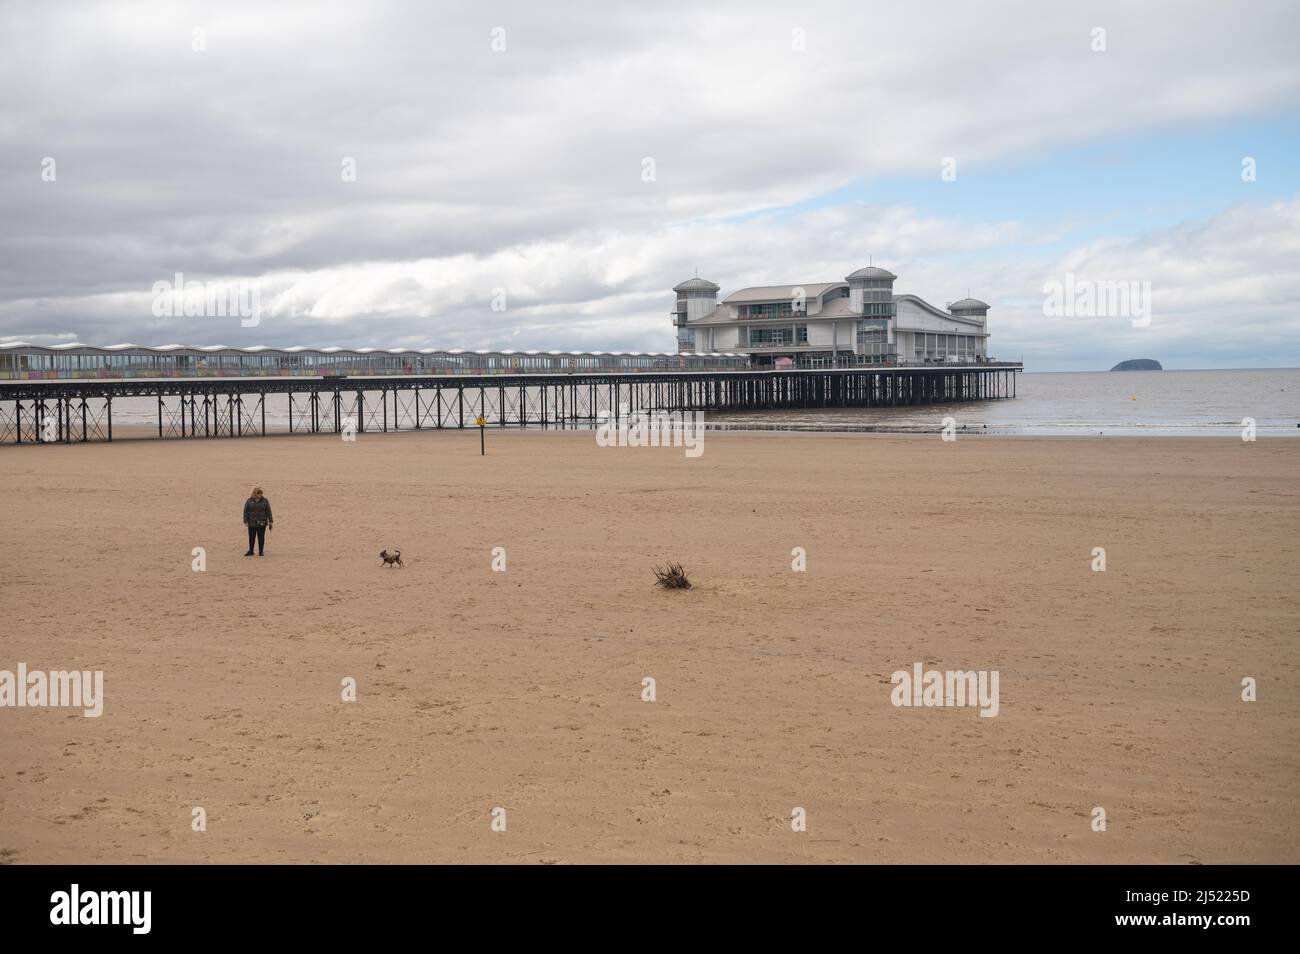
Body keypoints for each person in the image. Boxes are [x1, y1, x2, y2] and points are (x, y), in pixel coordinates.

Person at [243, 486, 273, 556]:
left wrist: (271, 521)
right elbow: (245, 511)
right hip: (251, 522)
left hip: (262, 522)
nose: (260, 495)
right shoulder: (249, 500)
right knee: (251, 537)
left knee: (261, 537)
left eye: (261, 493)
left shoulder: (265, 500)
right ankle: (251, 551)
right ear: (255, 493)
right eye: (258, 493)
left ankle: (261, 551)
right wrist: (245, 521)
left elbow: (269, 511)